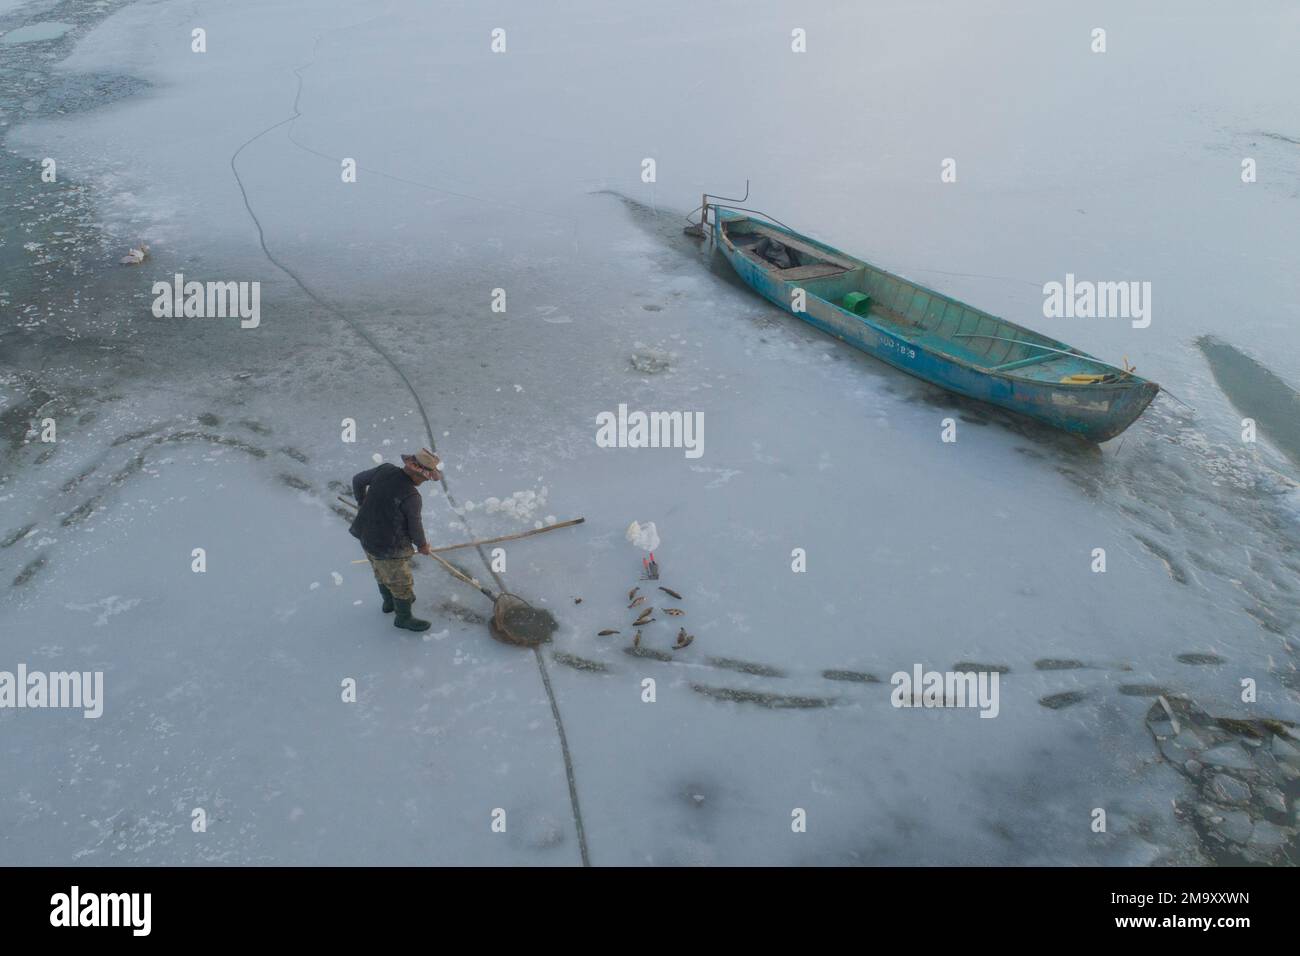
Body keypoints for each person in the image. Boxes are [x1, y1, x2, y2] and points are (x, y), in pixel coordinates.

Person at [349, 448, 442, 632]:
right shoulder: (411, 496)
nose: (423, 482)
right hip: (388, 546)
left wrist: (362, 501)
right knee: (401, 583)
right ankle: (403, 618)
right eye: (424, 478)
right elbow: (415, 526)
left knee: (379, 570)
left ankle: (389, 603)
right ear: (417, 473)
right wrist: (422, 545)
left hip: (366, 534)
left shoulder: (385, 470)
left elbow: (357, 480)